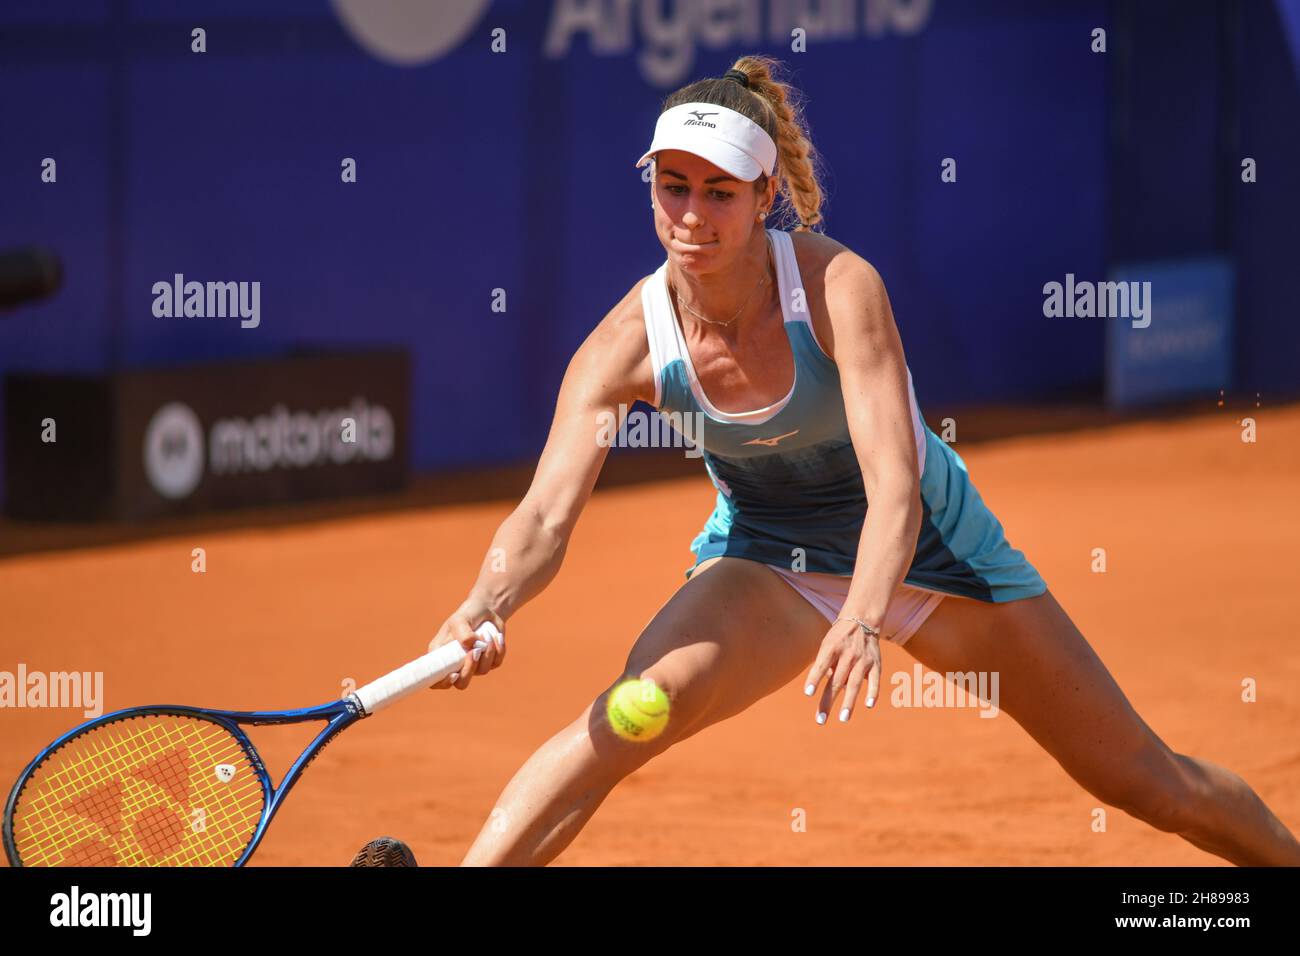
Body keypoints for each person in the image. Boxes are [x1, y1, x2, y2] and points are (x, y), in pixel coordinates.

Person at [427, 55, 1300, 867]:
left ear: (766, 193)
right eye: (673, 187)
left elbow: (895, 486)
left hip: (933, 553)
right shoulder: (621, 348)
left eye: (719, 194)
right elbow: (543, 516)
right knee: (629, 716)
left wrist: (866, 616)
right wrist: (483, 602)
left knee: (1145, 783)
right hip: (771, 559)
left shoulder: (840, 288)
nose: (691, 216)